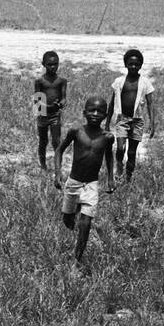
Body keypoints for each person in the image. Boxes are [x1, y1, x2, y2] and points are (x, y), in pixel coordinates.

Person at [53, 97, 114, 266]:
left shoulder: (107, 137)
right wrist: (57, 173)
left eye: (100, 111)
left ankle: (77, 259)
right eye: (91, 110)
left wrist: (110, 178)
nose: (95, 114)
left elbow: (109, 156)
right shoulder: (76, 131)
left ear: (106, 115)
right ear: (84, 113)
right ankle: (74, 218)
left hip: (91, 185)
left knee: (86, 223)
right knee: (67, 220)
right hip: (73, 182)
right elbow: (59, 150)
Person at [108, 48, 157, 183]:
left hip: (137, 121)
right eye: (130, 64)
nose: (133, 66)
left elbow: (150, 104)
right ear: (126, 64)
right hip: (122, 119)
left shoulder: (145, 82)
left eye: (136, 64)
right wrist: (107, 123)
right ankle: (119, 169)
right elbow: (112, 103)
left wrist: (152, 124)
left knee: (131, 152)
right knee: (120, 148)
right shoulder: (119, 82)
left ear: (141, 65)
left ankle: (128, 178)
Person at [33, 50, 68, 170]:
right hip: (42, 113)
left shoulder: (61, 81)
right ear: (43, 64)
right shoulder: (40, 81)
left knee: (56, 141)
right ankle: (43, 165)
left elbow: (64, 98)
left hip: (55, 114)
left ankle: (58, 166)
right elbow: (37, 101)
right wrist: (48, 107)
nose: (53, 67)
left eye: (55, 64)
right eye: (50, 64)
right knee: (43, 141)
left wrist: (59, 105)